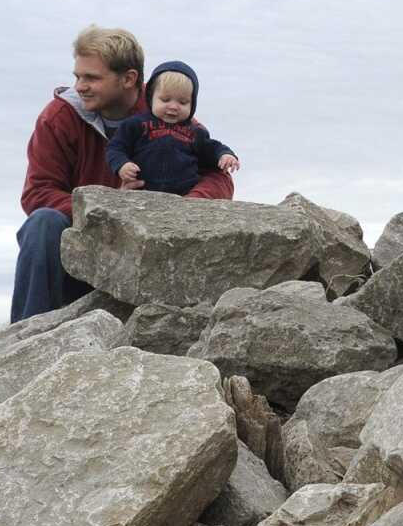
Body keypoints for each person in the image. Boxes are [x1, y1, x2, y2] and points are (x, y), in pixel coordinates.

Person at [13, 27, 234, 321]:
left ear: (129, 79)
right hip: (83, 249)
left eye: (91, 78)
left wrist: (188, 206)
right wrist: (106, 208)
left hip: (150, 250)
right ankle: (27, 335)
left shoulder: (166, 110)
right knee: (43, 222)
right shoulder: (58, 118)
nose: (79, 86)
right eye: (78, 76)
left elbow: (218, 176)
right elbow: (38, 192)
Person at [106, 60, 240, 194]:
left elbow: (212, 149)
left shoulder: (196, 132)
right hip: (142, 191)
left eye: (183, 102)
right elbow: (115, 148)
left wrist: (225, 155)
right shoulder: (135, 124)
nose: (173, 107)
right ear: (151, 98)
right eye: (165, 100)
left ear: (192, 104)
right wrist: (122, 165)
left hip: (183, 195)